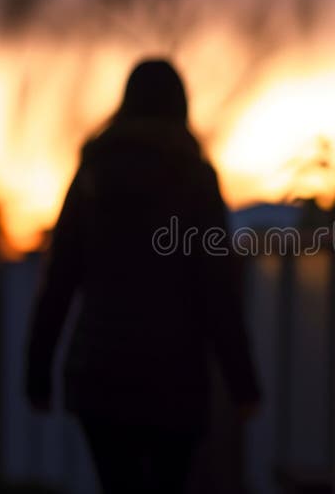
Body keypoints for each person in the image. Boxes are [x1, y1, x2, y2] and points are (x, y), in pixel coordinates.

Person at [25, 59, 261, 493]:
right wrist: (243, 385)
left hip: (99, 376)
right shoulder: (196, 180)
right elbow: (218, 292)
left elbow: (58, 280)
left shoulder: (92, 176)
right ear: (180, 108)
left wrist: (37, 375)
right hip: (173, 380)